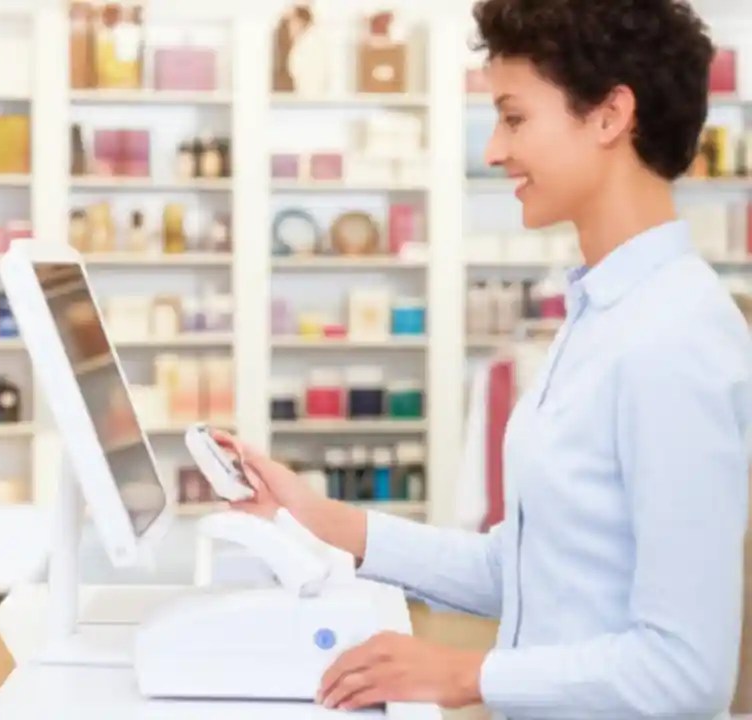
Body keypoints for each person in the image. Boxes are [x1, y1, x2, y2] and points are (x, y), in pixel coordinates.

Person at [219, 0, 752, 716]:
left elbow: (685, 673)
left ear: (608, 115)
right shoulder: (604, 316)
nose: (494, 149)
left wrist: (466, 674)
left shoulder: (675, 343)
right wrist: (322, 520)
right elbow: (533, 568)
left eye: (515, 116)